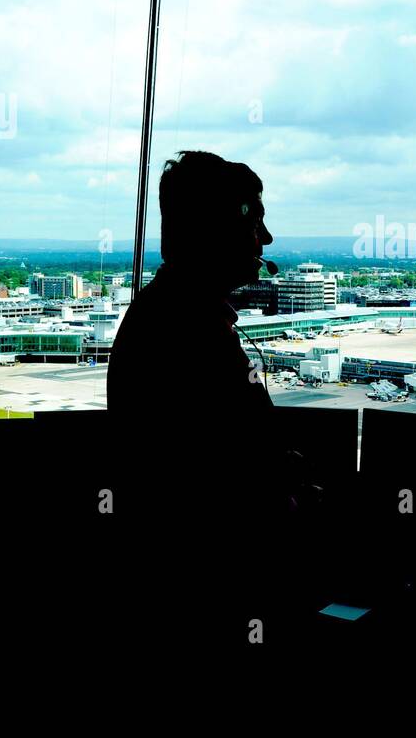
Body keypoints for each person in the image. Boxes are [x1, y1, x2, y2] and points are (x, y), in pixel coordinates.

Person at [105, 150, 301, 649]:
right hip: (207, 594)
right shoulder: (190, 328)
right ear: (216, 230)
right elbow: (228, 480)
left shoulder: (172, 313)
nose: (267, 238)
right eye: (255, 221)